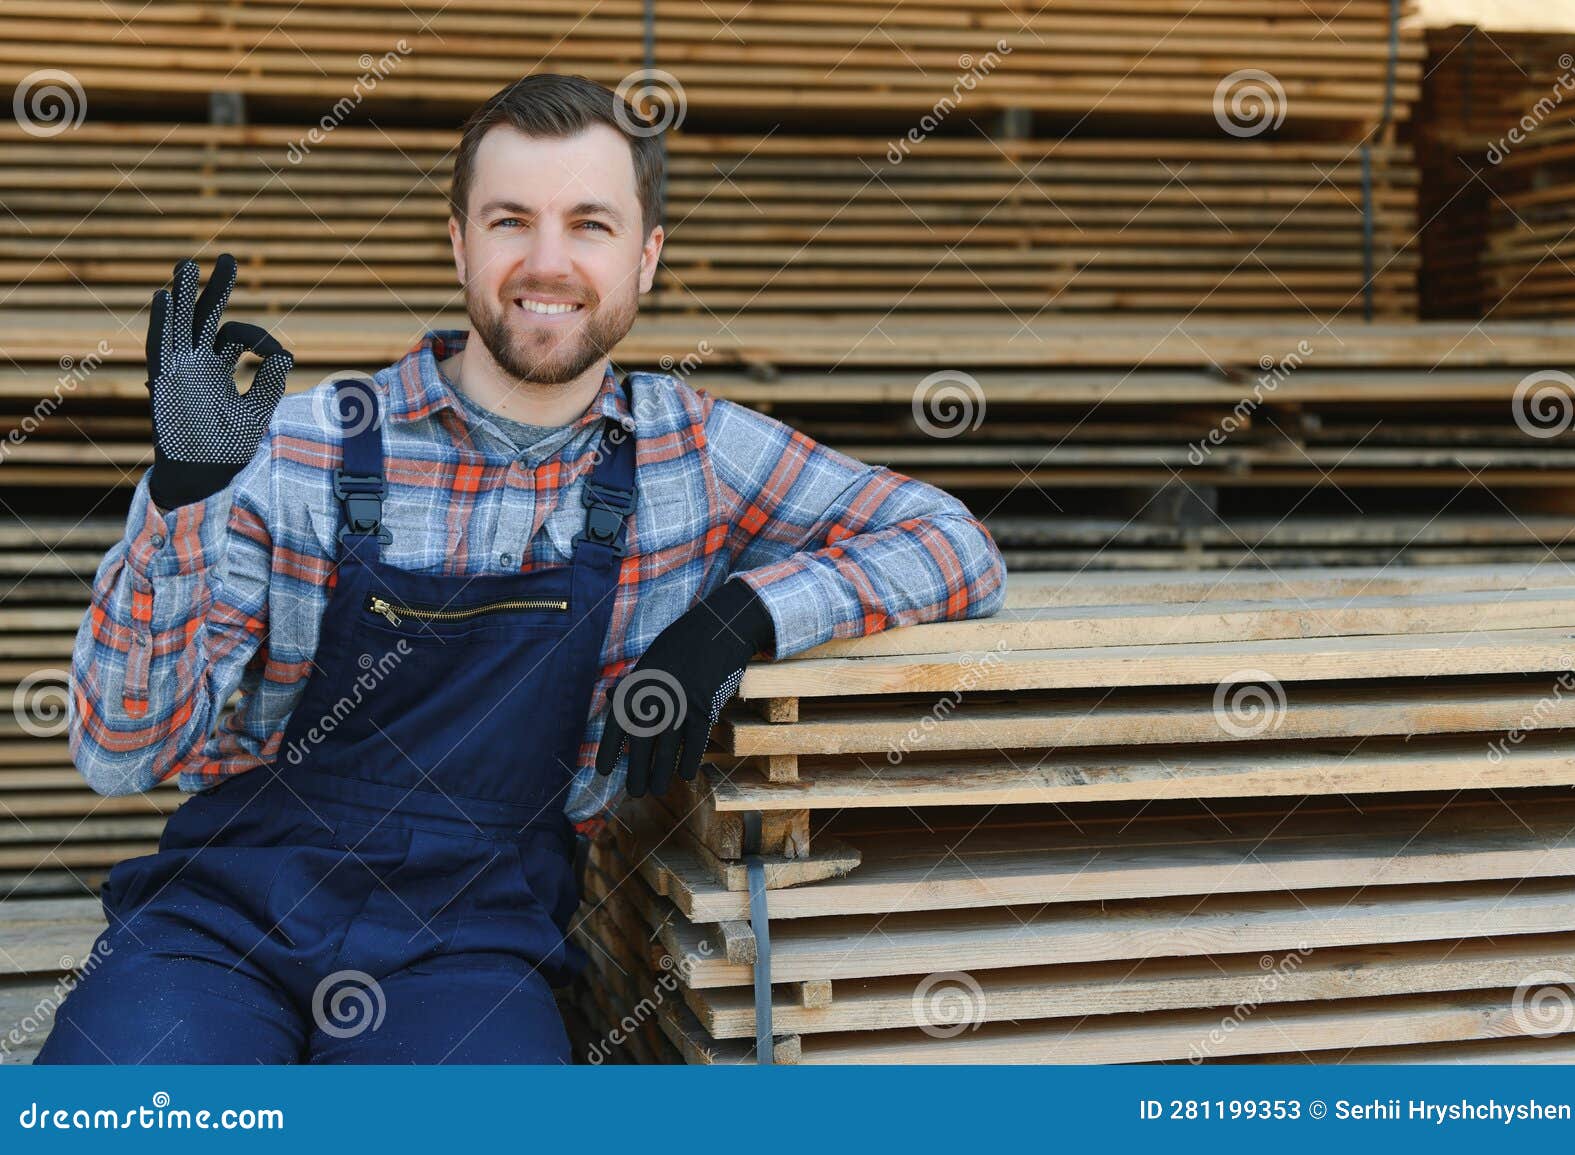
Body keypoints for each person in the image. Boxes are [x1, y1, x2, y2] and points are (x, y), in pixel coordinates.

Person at [38, 73, 1007, 1065]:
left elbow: (952, 546)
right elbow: (123, 755)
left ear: (647, 256)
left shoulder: (698, 459)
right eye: (510, 221)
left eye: (590, 224)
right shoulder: (300, 448)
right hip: (221, 932)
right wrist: (179, 507)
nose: (547, 264)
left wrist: (740, 619)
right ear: (459, 241)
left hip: (470, 949)